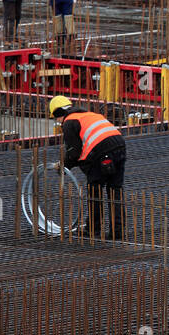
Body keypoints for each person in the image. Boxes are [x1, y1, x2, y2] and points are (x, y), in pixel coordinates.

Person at [48, 95, 126, 240]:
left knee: (95, 190)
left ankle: (93, 230)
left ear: (58, 114)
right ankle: (118, 232)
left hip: (102, 152)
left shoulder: (69, 122)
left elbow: (74, 152)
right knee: (115, 190)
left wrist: (63, 165)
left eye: (55, 118)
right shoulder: (90, 115)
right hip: (120, 146)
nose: (57, 122)